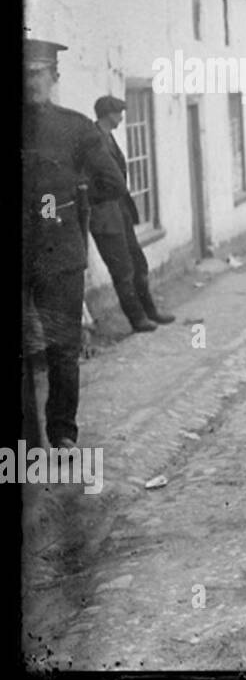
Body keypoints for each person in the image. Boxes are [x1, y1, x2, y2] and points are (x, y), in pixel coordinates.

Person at [23, 39, 129, 449]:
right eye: (24, 73)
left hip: (60, 254)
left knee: (62, 347)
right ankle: (27, 444)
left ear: (54, 77)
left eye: (37, 74)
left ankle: (63, 432)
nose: (30, 81)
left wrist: (70, 200)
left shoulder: (75, 128)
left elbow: (112, 183)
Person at [88, 95, 174, 332]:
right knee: (122, 269)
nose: (122, 117)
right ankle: (137, 319)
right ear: (108, 114)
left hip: (120, 210)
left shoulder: (108, 137)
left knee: (138, 262)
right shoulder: (93, 141)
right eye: (119, 112)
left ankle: (150, 311)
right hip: (104, 216)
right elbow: (88, 180)